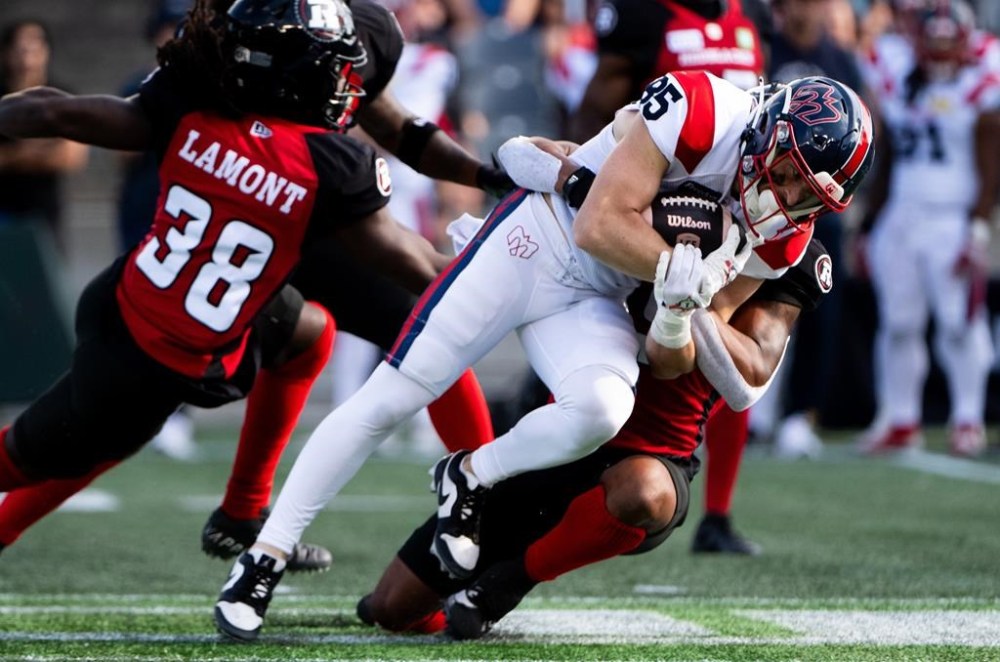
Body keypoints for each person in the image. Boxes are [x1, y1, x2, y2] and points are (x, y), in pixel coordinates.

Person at [213, 71, 874, 641]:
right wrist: (676, 265)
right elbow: (596, 224)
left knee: (603, 406)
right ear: (770, 130)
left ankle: (471, 474)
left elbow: (675, 360)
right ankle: (261, 564)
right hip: (538, 241)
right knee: (395, 393)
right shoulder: (704, 109)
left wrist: (678, 310)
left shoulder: (787, 237)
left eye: (808, 195)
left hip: (599, 301)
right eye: (787, 175)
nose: (786, 198)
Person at [0, 0, 506, 570]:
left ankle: (246, 509)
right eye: (334, 69)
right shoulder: (329, 160)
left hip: (169, 277)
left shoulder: (200, 97)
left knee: (312, 333)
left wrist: (486, 176)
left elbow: (61, 113)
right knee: (85, 439)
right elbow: (411, 258)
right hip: (195, 313)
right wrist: (519, 273)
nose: (347, 87)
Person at [357, 235, 832, 639]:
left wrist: (689, 297)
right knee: (391, 610)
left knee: (643, 491)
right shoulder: (656, 185)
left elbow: (751, 371)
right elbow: (588, 218)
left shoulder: (789, 251)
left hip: (656, 455)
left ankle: (507, 583)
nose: (788, 191)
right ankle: (450, 588)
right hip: (563, 434)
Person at [567, 0, 774, 556]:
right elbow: (600, 105)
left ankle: (718, 513)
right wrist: (585, 185)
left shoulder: (750, 16)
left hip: (744, 213)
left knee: (734, 350)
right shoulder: (642, 15)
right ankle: (573, 478)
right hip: (661, 207)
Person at [858, 0, 1000, 456]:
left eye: (947, 46)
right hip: (902, 215)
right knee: (899, 323)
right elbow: (890, 156)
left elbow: (991, 164)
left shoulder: (983, 83)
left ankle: (967, 417)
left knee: (960, 324)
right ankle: (900, 418)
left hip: (951, 216)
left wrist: (979, 227)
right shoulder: (899, 75)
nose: (939, 55)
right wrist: (871, 223)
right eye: (931, 46)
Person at [763, 0, 868, 460]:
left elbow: (865, 133)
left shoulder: (841, 58)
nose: (806, 11)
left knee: (819, 309)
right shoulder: (766, 51)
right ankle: (756, 410)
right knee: (758, 297)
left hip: (823, 209)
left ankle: (801, 415)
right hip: (770, 200)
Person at [0, 19, 88, 253]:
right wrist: (39, 152)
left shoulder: (61, 99)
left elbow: (70, 157)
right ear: (6, 53)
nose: (26, 58)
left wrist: (11, 156)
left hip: (44, 214)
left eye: (34, 48)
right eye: (20, 49)